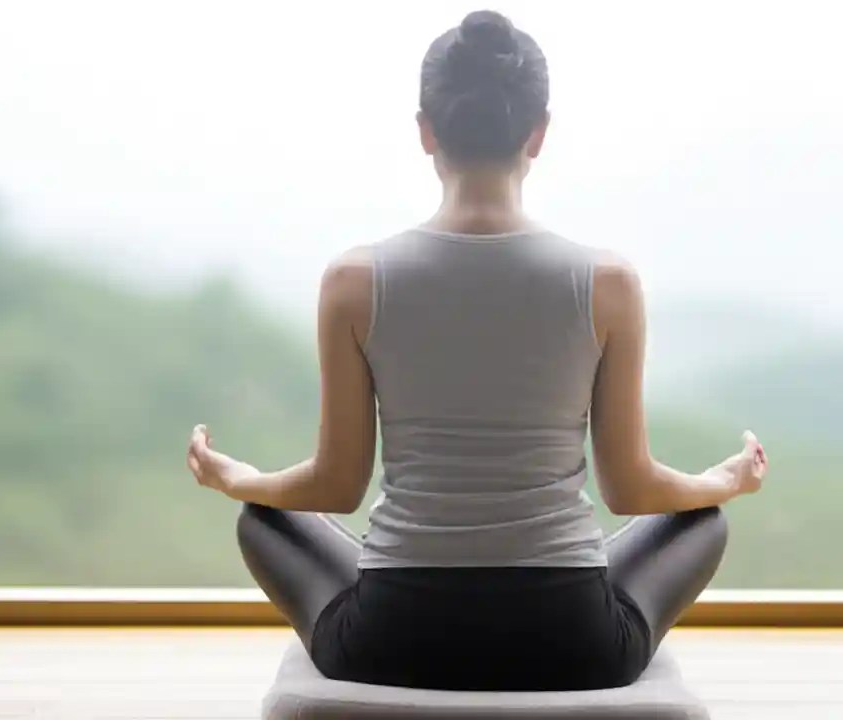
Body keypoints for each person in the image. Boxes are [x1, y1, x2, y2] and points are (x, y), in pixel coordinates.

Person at [185, 9, 768, 692]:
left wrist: (241, 479)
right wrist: (724, 481)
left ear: (426, 131)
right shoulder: (607, 283)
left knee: (263, 521)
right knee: (701, 522)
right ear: (538, 132)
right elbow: (630, 489)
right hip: (574, 643)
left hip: (391, 638)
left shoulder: (354, 281)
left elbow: (337, 486)